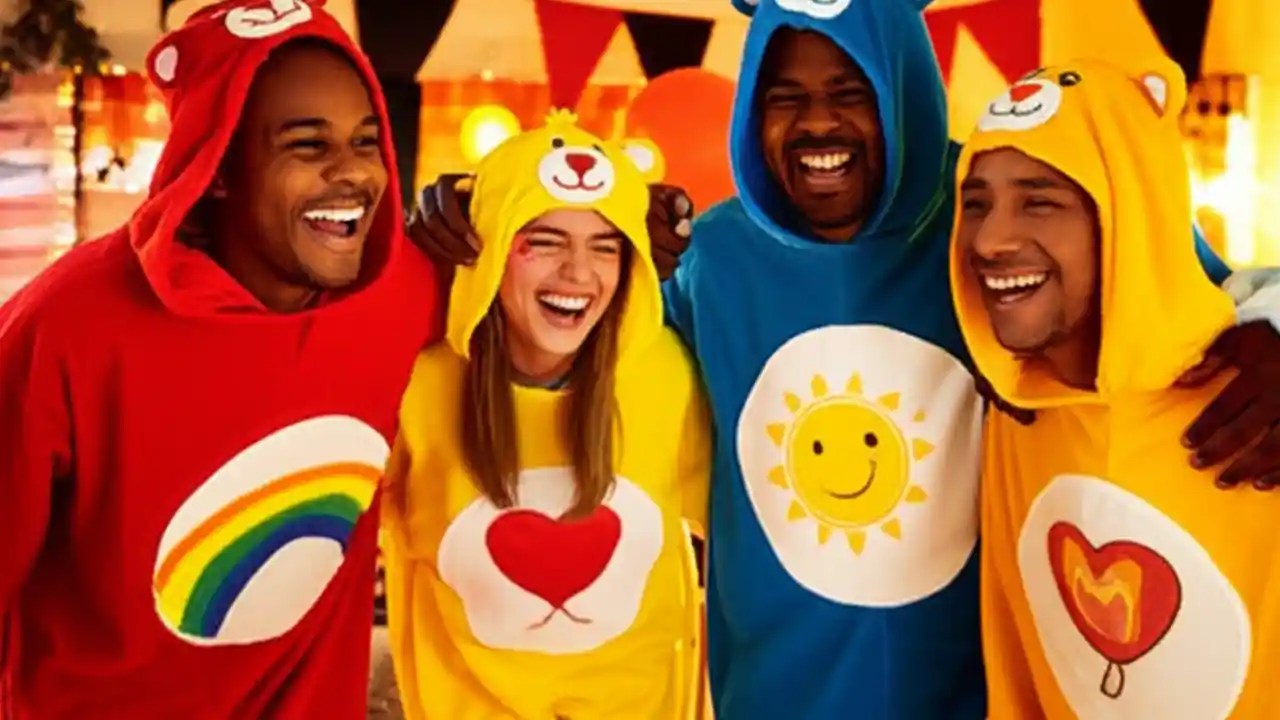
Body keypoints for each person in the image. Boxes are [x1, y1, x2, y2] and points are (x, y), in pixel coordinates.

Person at [410, 0, 1280, 716]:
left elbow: (1196, 286)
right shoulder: (714, 257)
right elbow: (582, 348)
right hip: (770, 697)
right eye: (784, 94)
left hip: (987, 692)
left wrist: (1276, 326)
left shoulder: (988, 225)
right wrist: (476, 232)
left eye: (851, 87)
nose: (818, 120)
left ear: (902, 84)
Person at [0, 2, 442, 716]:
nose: (353, 173)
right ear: (219, 166)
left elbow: (563, 294)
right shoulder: (67, 326)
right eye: (307, 145)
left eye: (366, 141)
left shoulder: (404, 291)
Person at [955, 57, 1280, 719]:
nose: (990, 239)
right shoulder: (1014, 415)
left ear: (1129, 211)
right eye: (976, 204)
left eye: (1040, 201)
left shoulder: (1252, 406)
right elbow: (1017, 671)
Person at [380, 111, 710, 719]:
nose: (578, 274)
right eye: (544, 242)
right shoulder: (416, 386)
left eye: (605, 247)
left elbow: (747, 531)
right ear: (492, 250)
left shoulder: (666, 372)